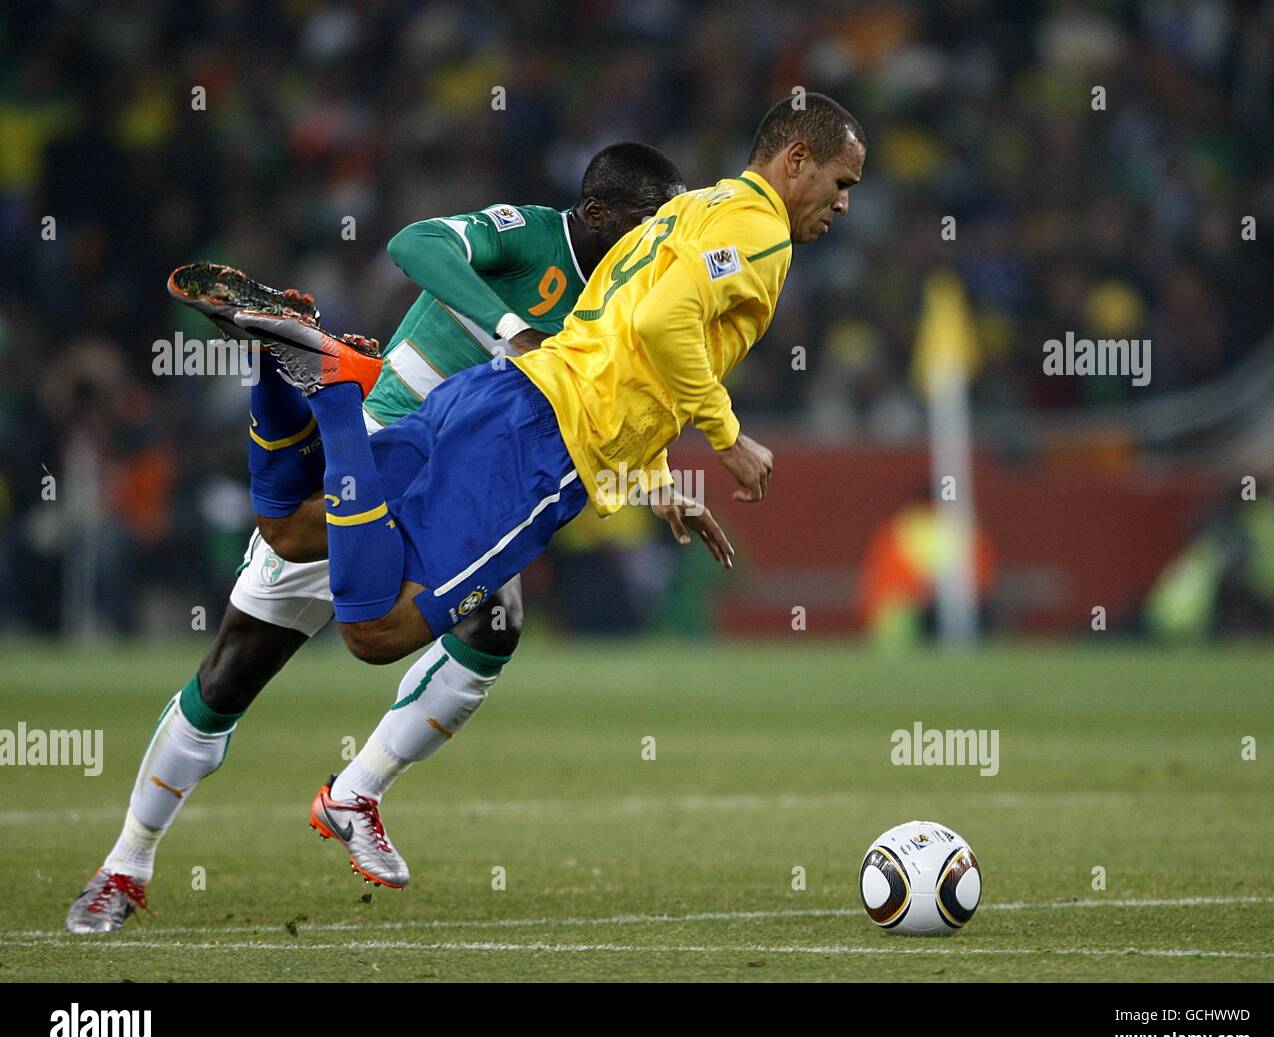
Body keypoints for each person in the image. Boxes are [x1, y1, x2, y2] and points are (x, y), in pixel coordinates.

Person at [232, 93, 865, 891]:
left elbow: (620, 322)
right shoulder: (761, 233)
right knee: (380, 630)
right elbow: (667, 321)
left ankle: (275, 370)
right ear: (795, 161)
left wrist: (658, 476)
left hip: (510, 388)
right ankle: (332, 386)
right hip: (547, 449)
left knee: (294, 527)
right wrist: (727, 434)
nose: (844, 205)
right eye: (841, 183)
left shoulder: (698, 207)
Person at [66, 144, 688, 933]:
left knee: (492, 627)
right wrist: (512, 328)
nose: (661, 241)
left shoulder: (622, 292)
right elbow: (414, 244)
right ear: (598, 214)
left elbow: (622, 396)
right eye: (651, 222)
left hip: (460, 490)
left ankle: (355, 792)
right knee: (228, 677)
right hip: (382, 442)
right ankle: (125, 865)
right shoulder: (532, 236)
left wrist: (660, 479)